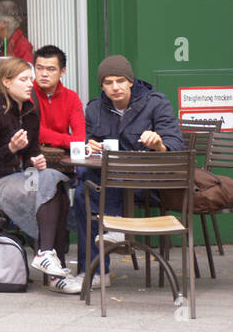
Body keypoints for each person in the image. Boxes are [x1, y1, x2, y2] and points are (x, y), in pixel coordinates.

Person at [71, 56, 185, 281]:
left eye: (120, 81)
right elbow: (88, 143)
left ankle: (99, 258)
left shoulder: (156, 103)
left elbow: (176, 146)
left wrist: (159, 144)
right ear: (102, 86)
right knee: (83, 189)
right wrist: (90, 146)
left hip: (148, 184)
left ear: (131, 81)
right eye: (108, 82)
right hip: (110, 183)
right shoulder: (95, 108)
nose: (115, 87)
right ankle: (96, 271)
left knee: (89, 191)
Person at [0, 58, 76, 292]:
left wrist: (35, 160)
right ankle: (51, 265)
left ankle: (51, 262)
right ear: (6, 83)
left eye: (30, 79)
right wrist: (11, 149)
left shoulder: (30, 113)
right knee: (49, 183)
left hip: (15, 180)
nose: (31, 84)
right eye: (24, 79)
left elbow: (32, 155)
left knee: (56, 185)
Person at [32, 44, 85, 153]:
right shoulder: (26, 93)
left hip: (64, 160)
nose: (44, 74)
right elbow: (35, 132)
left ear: (62, 72)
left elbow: (80, 137)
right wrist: (70, 141)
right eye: (39, 68)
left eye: (51, 69)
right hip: (33, 159)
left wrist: (73, 142)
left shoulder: (72, 97)